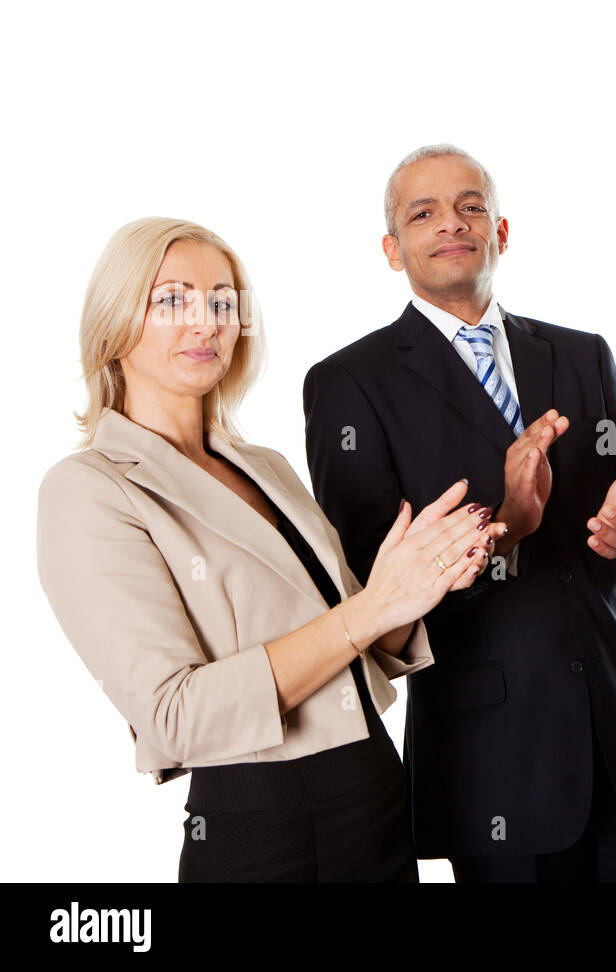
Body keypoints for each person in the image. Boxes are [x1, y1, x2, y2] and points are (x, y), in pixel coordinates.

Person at [35, 217, 501, 882]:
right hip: (269, 820)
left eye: (223, 302)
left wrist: (423, 578)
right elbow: (175, 716)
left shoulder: (267, 466)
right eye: (172, 299)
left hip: (376, 788)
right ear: (115, 324)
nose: (206, 322)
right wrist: (371, 608)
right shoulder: (88, 490)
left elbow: (351, 642)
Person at [303, 145, 616, 882]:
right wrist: (507, 527)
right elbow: (373, 590)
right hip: (496, 767)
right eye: (423, 212)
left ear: (502, 231)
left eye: (470, 205)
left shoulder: (583, 356)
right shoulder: (350, 384)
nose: (451, 222)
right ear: (393, 249)